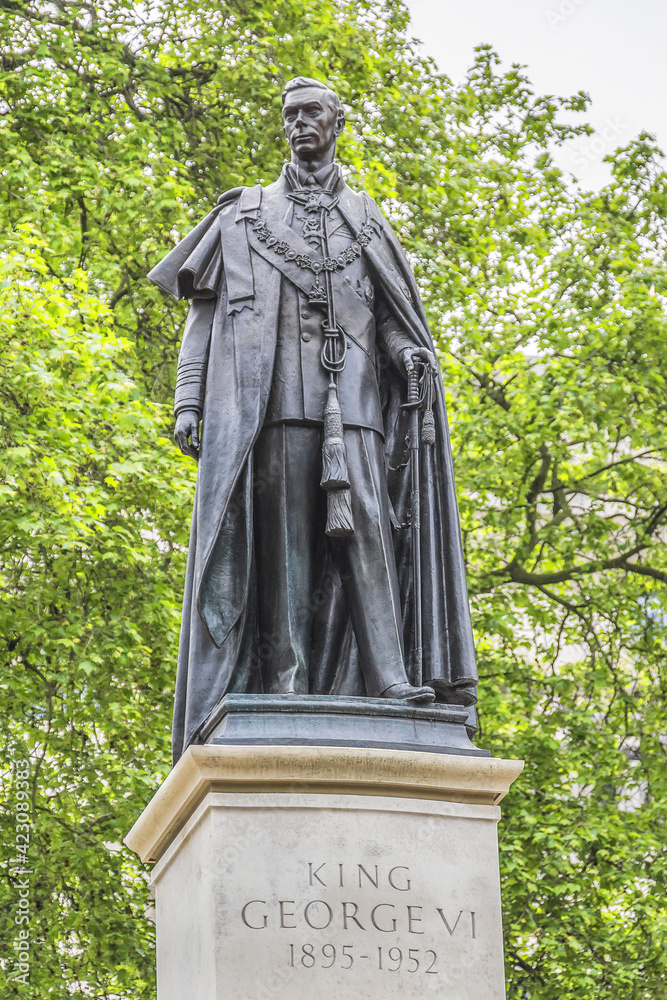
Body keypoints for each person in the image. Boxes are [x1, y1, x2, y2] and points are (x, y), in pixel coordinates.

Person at [149, 77, 478, 763]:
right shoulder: (241, 215)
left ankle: (390, 677)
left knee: (367, 542)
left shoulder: (367, 221)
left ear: (337, 123)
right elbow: (201, 322)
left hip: (354, 411)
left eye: (312, 114)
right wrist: (187, 401)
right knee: (285, 551)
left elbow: (390, 318)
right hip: (269, 411)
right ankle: (288, 681)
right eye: (289, 115)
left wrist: (409, 356)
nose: (300, 125)